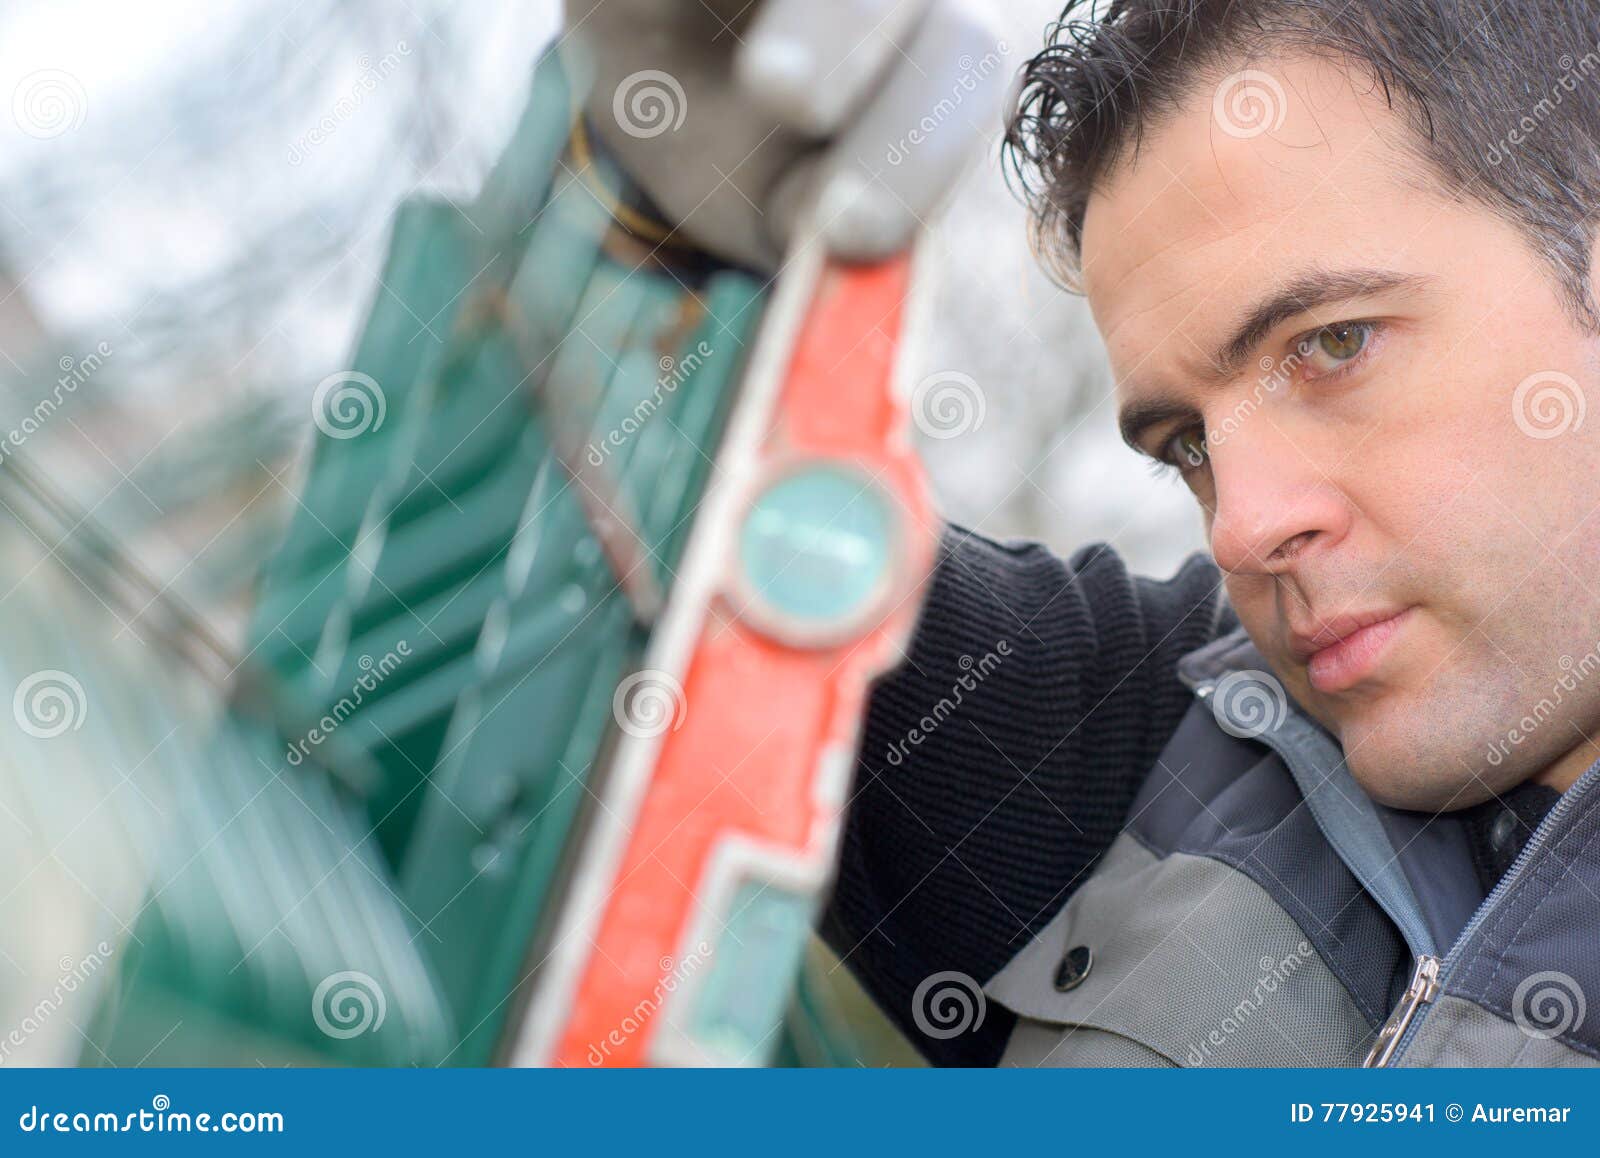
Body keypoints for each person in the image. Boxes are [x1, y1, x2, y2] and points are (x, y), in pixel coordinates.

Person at [566, 0, 1600, 1066]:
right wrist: (651, 220)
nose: (1240, 527)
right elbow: (623, 530)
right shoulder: (1148, 746)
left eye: (1331, 344)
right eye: (1185, 445)